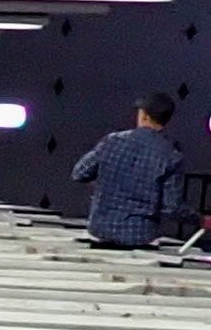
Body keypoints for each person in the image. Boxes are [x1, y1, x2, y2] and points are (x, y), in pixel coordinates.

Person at [71, 90, 191, 250]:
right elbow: (172, 208)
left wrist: (102, 182)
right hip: (141, 239)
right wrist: (201, 220)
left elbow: (79, 173)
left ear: (144, 116)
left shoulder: (112, 141)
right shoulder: (172, 155)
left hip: (101, 233)